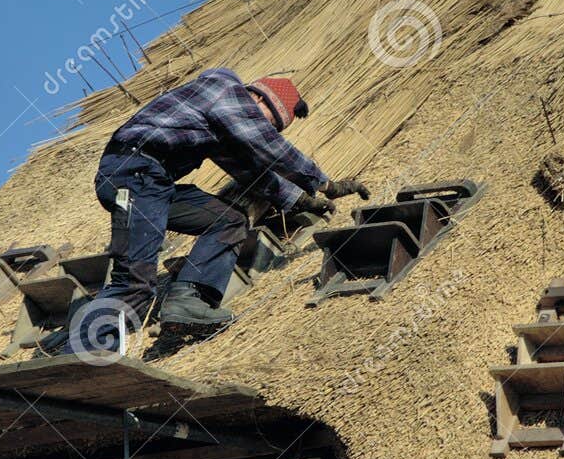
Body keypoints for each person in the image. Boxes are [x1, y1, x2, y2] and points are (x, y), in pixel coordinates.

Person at [64, 68, 367, 351]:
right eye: (267, 122)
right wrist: (325, 183)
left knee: (228, 220)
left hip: (154, 185)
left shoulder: (219, 124)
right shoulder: (224, 88)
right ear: (258, 98)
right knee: (135, 283)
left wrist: (301, 199)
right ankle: (79, 357)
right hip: (135, 172)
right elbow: (267, 146)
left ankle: (188, 298)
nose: (265, 129)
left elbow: (252, 170)